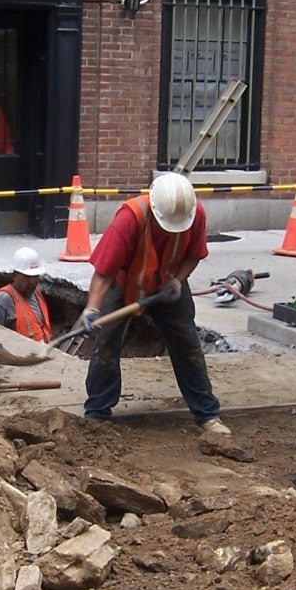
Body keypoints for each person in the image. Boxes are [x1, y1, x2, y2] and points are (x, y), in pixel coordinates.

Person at [80, 171, 230, 435]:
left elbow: (195, 254)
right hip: (125, 281)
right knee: (107, 343)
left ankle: (207, 413)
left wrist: (178, 281)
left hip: (168, 281)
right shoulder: (129, 219)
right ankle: (97, 414)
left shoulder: (194, 214)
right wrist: (92, 307)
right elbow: (104, 272)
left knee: (187, 343)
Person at [0, 246, 53, 342]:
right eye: (27, 276)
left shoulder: (37, 294)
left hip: (41, 349)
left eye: (35, 276)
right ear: (14, 276)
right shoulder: (2, 301)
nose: (33, 281)